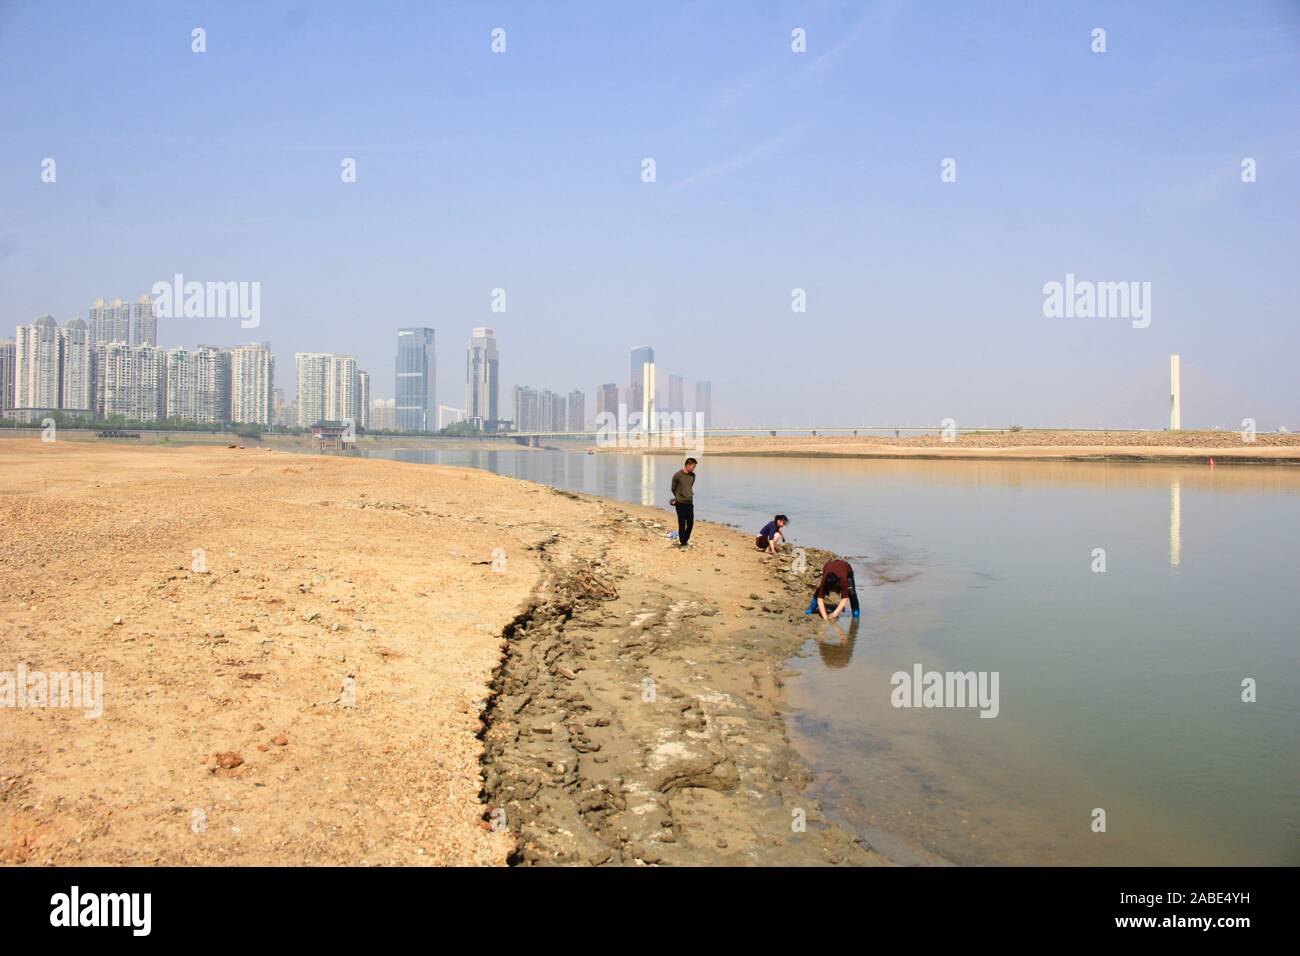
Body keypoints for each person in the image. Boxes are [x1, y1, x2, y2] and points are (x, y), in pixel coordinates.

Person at [670, 457, 697, 547]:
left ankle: (685, 539)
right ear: (688, 465)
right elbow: (673, 488)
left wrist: (687, 495)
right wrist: (678, 497)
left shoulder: (693, 476)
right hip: (680, 503)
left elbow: (689, 487)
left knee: (690, 523)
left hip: (689, 503)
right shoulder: (677, 475)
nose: (694, 469)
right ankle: (683, 542)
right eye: (693, 467)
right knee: (682, 523)